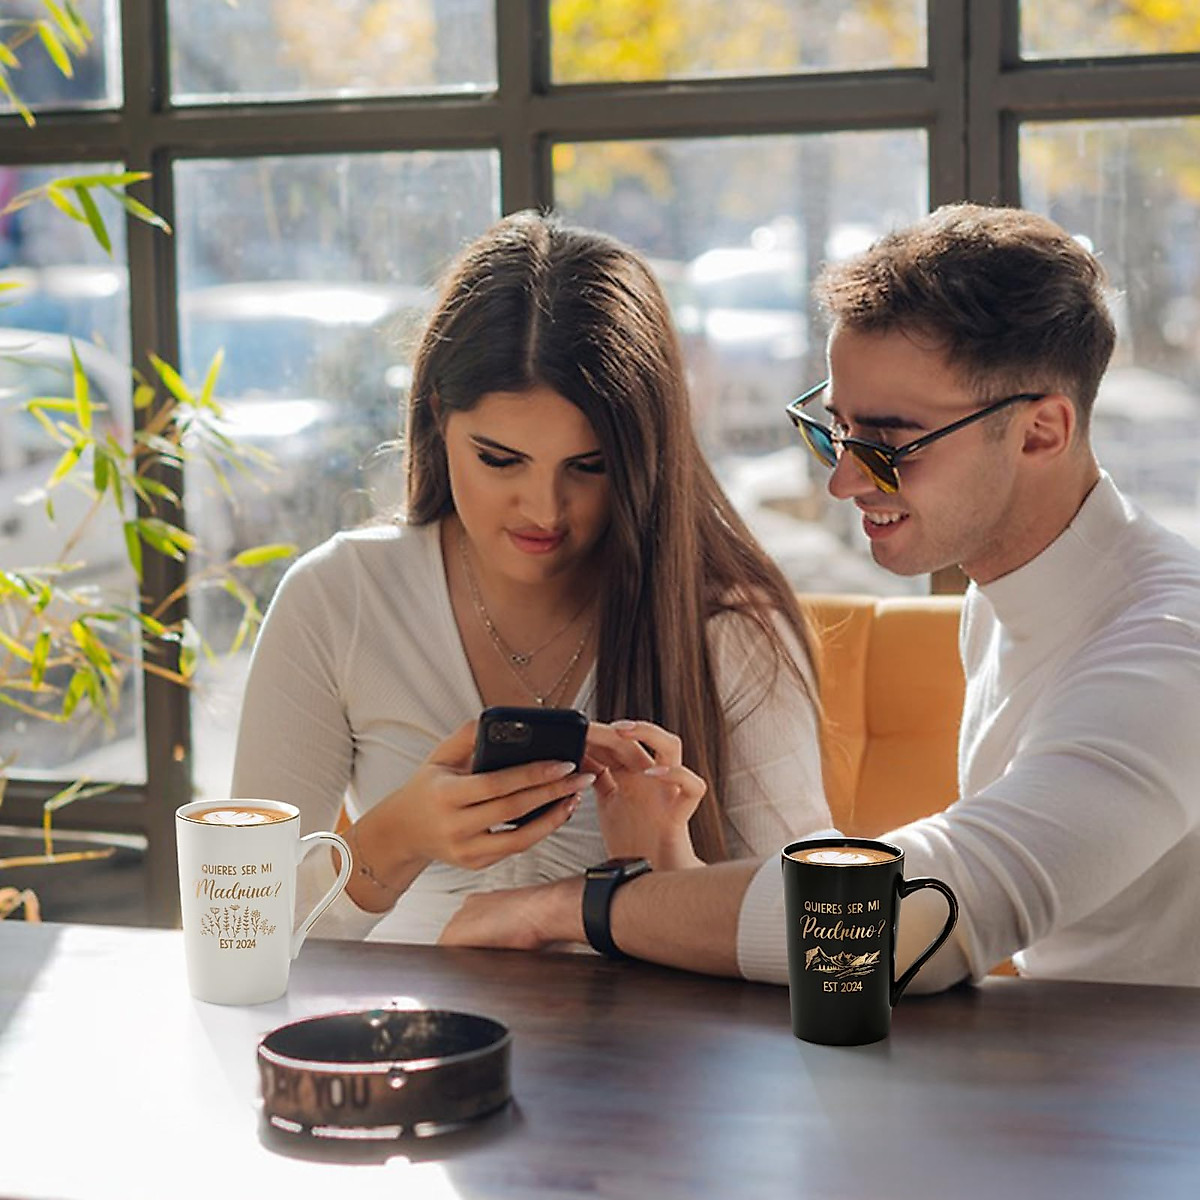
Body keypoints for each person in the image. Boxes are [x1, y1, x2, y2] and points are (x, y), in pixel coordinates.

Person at [442, 202, 1200, 990]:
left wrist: (571, 907)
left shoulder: (1167, 649)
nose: (842, 479)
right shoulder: (1014, 599)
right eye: (835, 430)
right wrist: (664, 878)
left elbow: (909, 924)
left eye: (887, 442)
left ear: (1041, 431)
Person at [231, 210, 832, 944]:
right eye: (500, 460)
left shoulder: (726, 625)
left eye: (590, 467)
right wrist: (395, 839)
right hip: (406, 1049)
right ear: (435, 415)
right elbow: (240, 933)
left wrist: (658, 867)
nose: (545, 509)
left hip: (647, 1055)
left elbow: (824, 929)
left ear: (645, 454)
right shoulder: (337, 600)